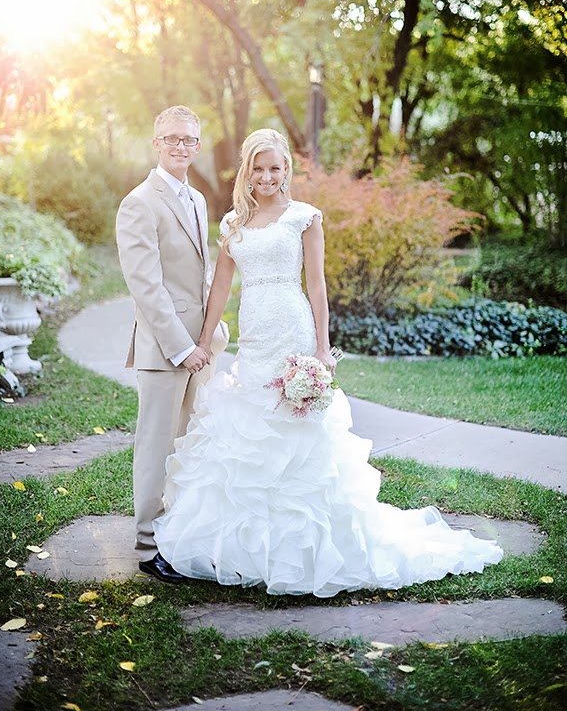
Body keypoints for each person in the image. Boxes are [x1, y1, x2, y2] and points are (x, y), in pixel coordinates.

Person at [153, 128, 503, 597]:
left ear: (286, 171)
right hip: (255, 336)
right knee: (248, 429)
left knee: (298, 427)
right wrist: (202, 340)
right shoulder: (233, 223)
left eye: (275, 167)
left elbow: (316, 286)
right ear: (247, 171)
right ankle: (244, 547)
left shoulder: (304, 218)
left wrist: (322, 349)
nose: (267, 176)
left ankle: (308, 547)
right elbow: (220, 288)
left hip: (294, 330)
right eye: (258, 167)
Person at [116, 105, 228, 584]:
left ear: (197, 146)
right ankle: (147, 546)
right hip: (166, 351)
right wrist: (183, 347)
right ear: (156, 143)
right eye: (172, 138)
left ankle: (178, 531)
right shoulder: (139, 202)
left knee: (188, 445)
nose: (181, 146)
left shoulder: (199, 200)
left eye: (189, 140)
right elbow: (147, 286)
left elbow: (201, 277)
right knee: (156, 445)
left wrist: (209, 337)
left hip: (202, 347)